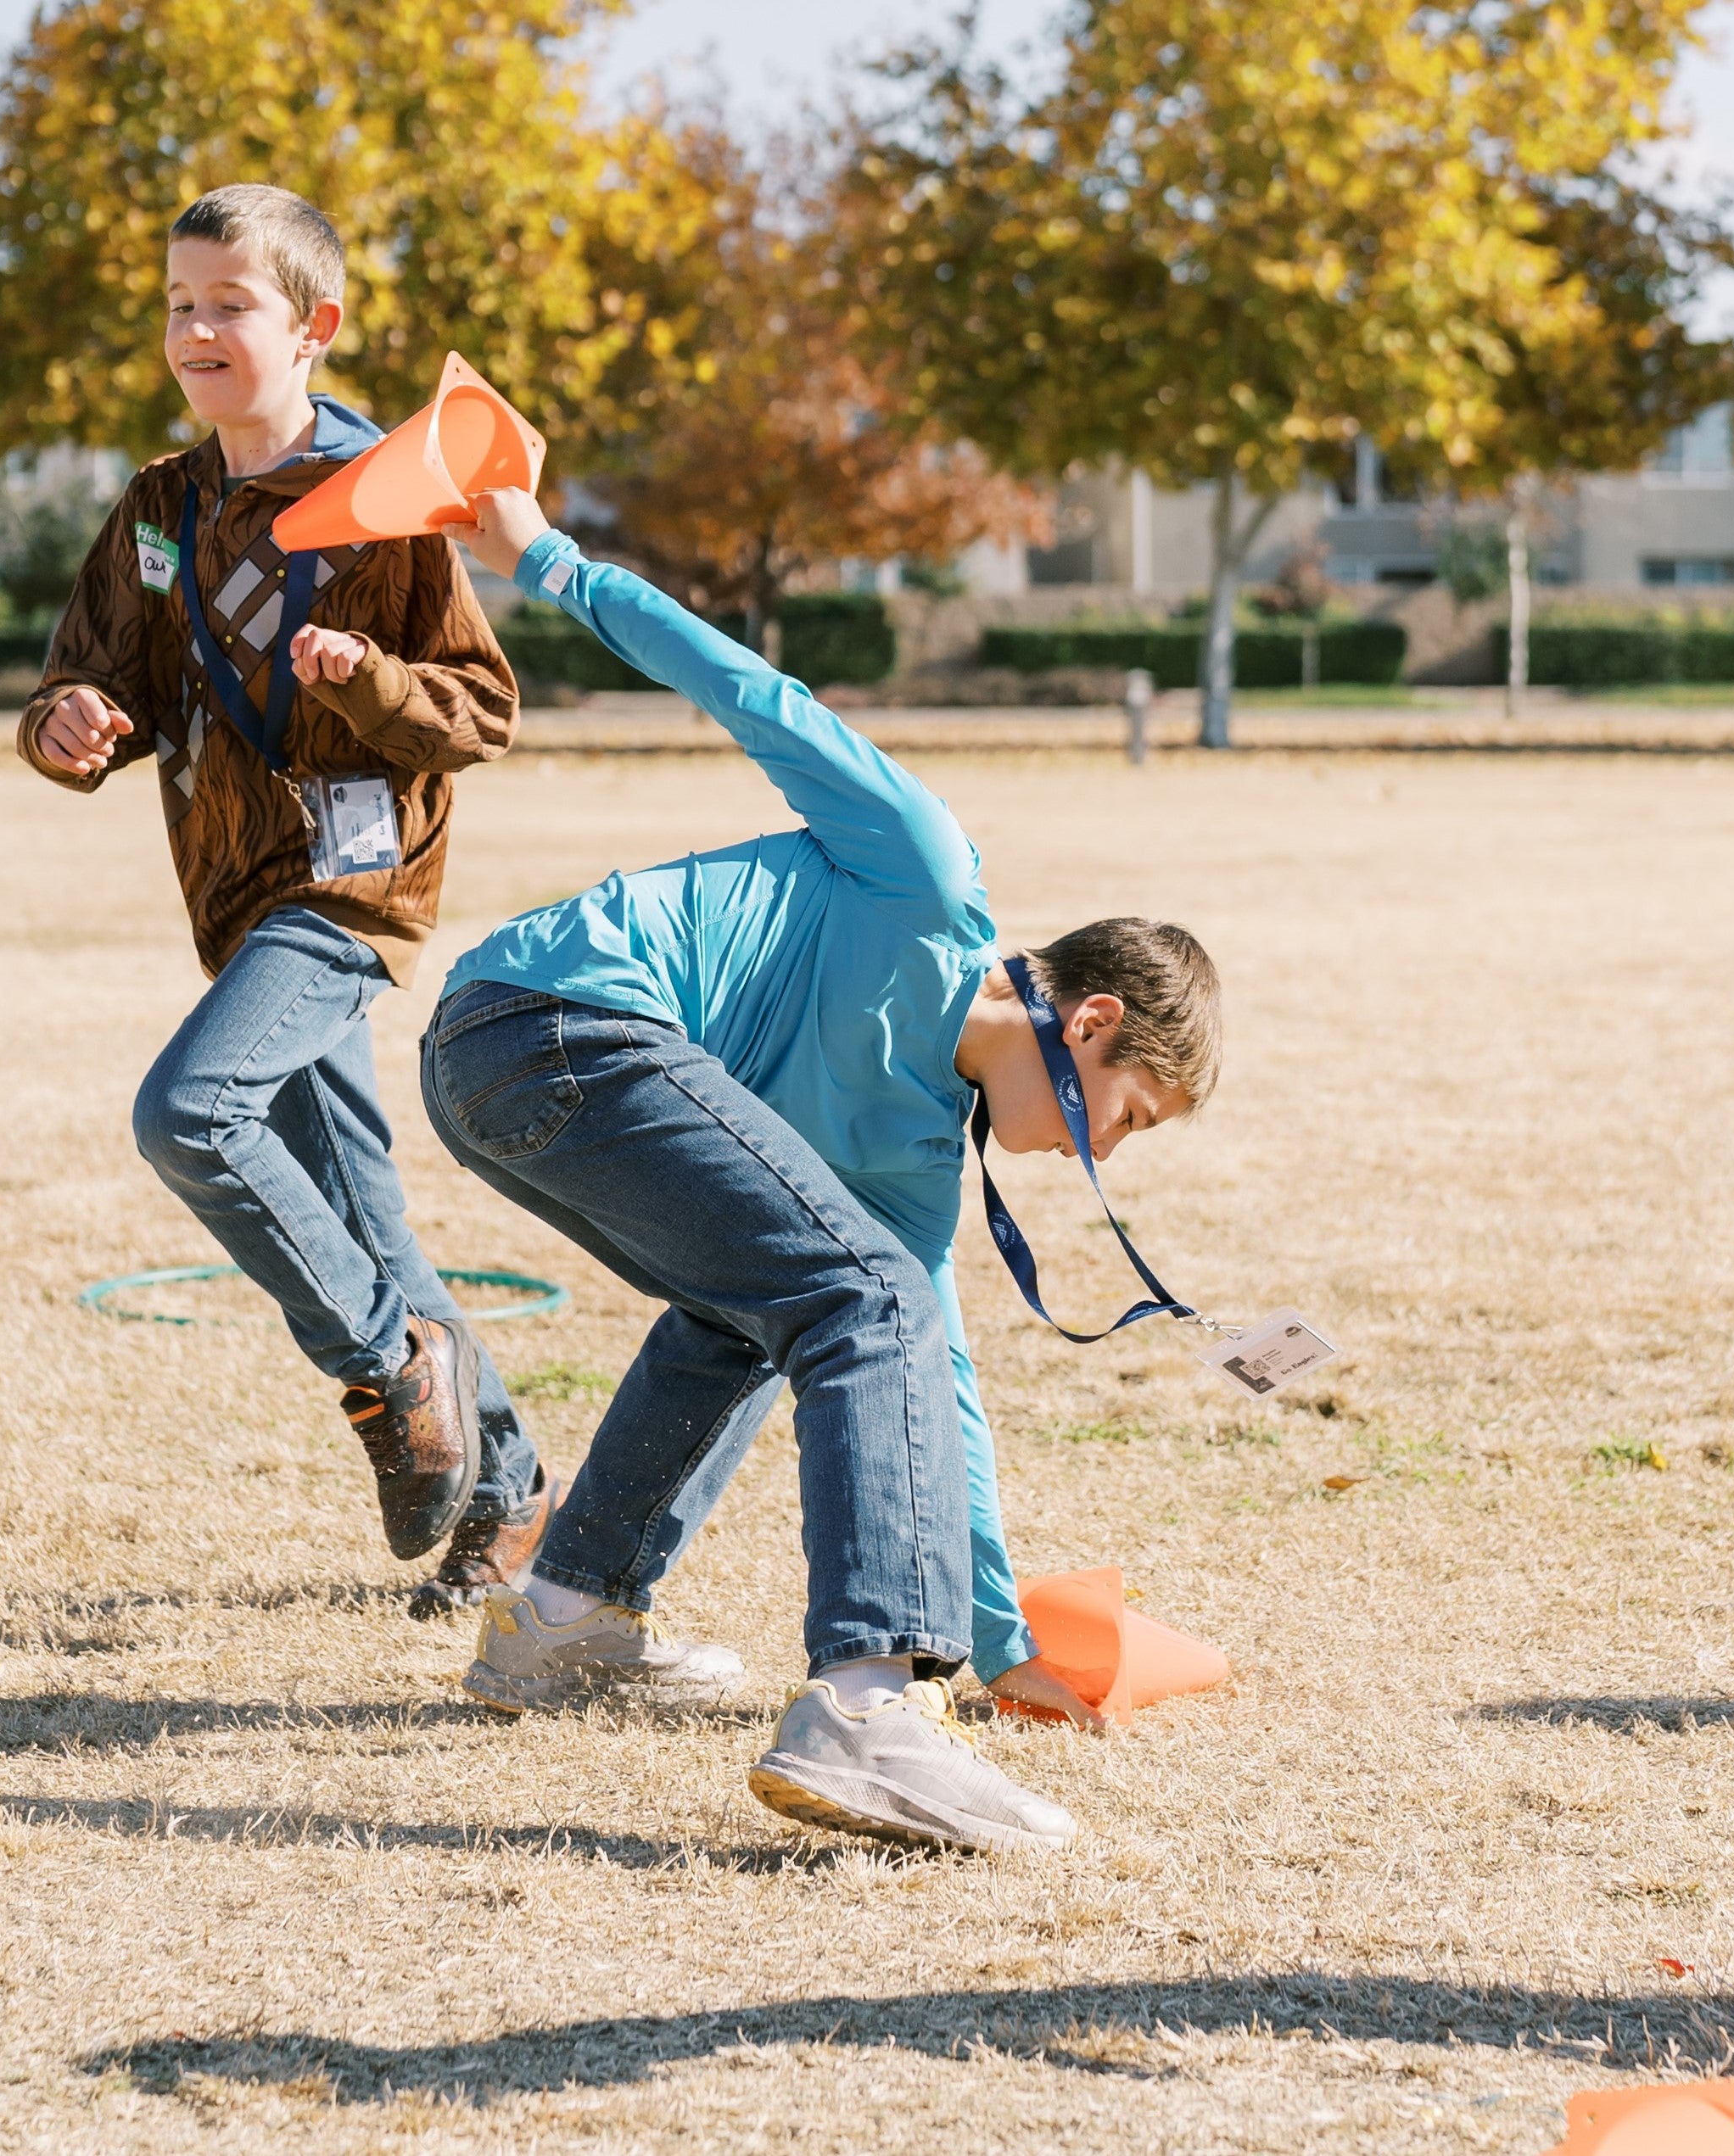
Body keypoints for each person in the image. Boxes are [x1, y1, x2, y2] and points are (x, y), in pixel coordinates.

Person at [423, 488, 1222, 1855]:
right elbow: (752, 694)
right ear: (1088, 1025)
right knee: (856, 1293)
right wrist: (548, 563)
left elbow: (939, 1382)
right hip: (549, 1017)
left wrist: (1008, 1641)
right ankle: (866, 1711)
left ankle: (562, 1621)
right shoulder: (924, 873)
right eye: (1128, 1117)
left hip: (494, 1064)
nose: (1112, 1155)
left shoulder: (915, 1146)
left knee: (774, 1302)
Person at [16, 184, 546, 1606]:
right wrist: (68, 716)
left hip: (351, 886)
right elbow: (95, 670)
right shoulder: (159, 508)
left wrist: (366, 679)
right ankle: (512, 1490)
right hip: (236, 895)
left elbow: (482, 711)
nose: (196, 329)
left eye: (228, 304)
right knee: (362, 1212)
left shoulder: (389, 503)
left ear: (311, 328)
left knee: (188, 1112)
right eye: (179, 305)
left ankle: (388, 1366)